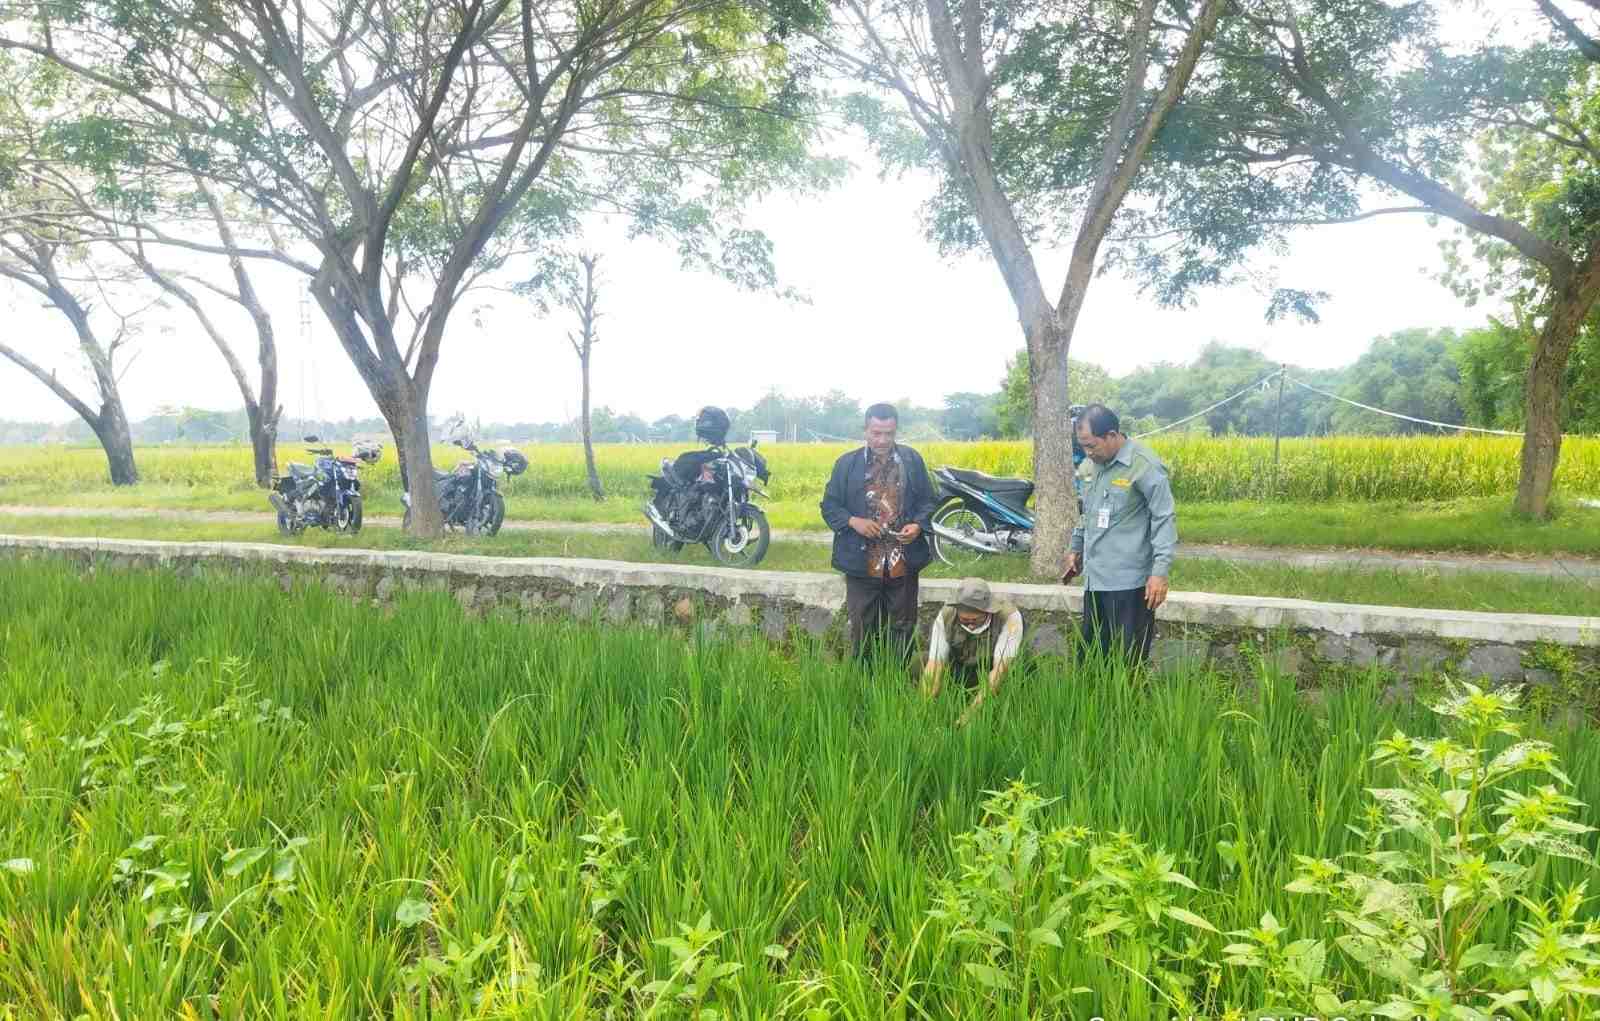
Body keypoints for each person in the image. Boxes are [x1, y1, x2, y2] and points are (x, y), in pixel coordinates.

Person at [1062, 404, 1177, 666]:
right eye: (1083, 446)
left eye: (1091, 445)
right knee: (1091, 662)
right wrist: (1075, 547)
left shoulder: (1144, 465)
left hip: (1129, 584)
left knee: (1128, 663)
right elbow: (1088, 512)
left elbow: (1164, 519)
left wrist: (1160, 572)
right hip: (1095, 580)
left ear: (1112, 435)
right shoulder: (1092, 466)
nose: (1087, 453)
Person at [820, 403, 936, 661]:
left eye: (889, 433)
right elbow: (829, 506)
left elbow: (928, 500)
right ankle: (863, 679)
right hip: (861, 561)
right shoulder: (847, 464)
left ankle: (896, 679)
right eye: (876, 433)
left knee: (903, 627)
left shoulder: (911, 460)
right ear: (865, 430)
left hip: (903, 561)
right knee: (862, 628)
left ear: (896, 431)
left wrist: (917, 525)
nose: (882, 440)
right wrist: (853, 521)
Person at [921, 578, 1025, 726]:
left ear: (987, 611)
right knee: (919, 663)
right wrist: (924, 709)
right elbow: (935, 665)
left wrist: (970, 714)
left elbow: (1000, 671)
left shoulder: (1009, 617)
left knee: (1016, 673)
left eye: (975, 620)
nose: (970, 625)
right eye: (964, 620)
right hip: (961, 667)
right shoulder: (946, 615)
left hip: (992, 668)